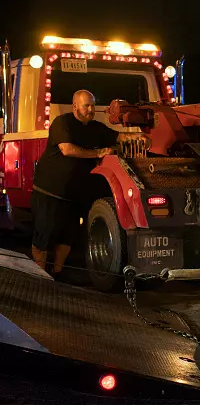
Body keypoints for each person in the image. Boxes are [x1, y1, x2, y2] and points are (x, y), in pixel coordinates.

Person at [31, 90, 149, 275]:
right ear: (75, 106)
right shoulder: (62, 123)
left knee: (67, 237)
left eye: (93, 105)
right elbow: (68, 150)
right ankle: (39, 275)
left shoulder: (96, 128)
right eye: (86, 105)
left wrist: (138, 138)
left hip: (74, 195)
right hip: (49, 191)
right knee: (44, 234)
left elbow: (119, 137)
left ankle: (57, 272)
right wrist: (99, 153)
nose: (91, 109)